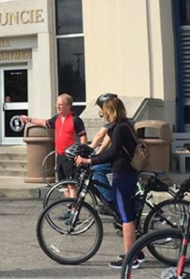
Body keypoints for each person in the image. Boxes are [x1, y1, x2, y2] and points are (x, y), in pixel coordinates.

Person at [74, 96, 144, 269]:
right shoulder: (125, 124)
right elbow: (110, 149)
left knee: (126, 217)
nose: (102, 115)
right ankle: (138, 252)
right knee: (128, 215)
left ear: (109, 111)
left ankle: (131, 259)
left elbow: (112, 153)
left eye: (103, 111)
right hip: (128, 172)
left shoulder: (119, 129)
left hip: (123, 174)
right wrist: (95, 156)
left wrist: (89, 161)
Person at [19, 94, 87, 198]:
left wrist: (81, 154)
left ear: (68, 106)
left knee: (71, 185)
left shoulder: (76, 120)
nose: (58, 107)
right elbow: (44, 123)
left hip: (71, 157)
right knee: (63, 185)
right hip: (59, 155)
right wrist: (29, 119)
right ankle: (69, 208)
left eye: (61, 105)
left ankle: (74, 210)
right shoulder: (57, 119)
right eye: (57, 104)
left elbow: (83, 137)